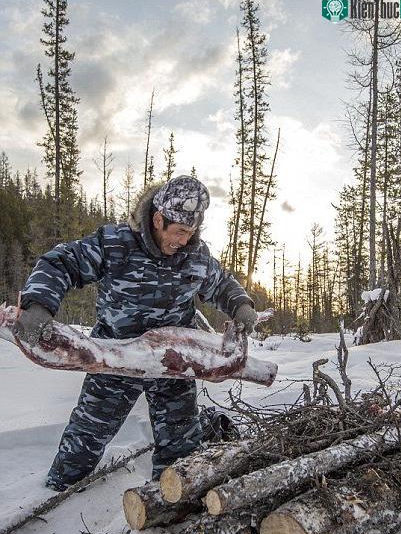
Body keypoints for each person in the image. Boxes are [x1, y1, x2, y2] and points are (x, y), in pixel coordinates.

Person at [14, 175, 257, 491]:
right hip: (117, 355)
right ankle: (54, 493)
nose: (183, 241)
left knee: (181, 443)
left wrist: (240, 305)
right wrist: (38, 305)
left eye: (190, 233)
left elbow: (221, 283)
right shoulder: (116, 243)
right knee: (88, 432)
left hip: (173, 362)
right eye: (178, 232)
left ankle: (168, 505)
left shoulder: (196, 255)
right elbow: (62, 263)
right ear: (158, 219)